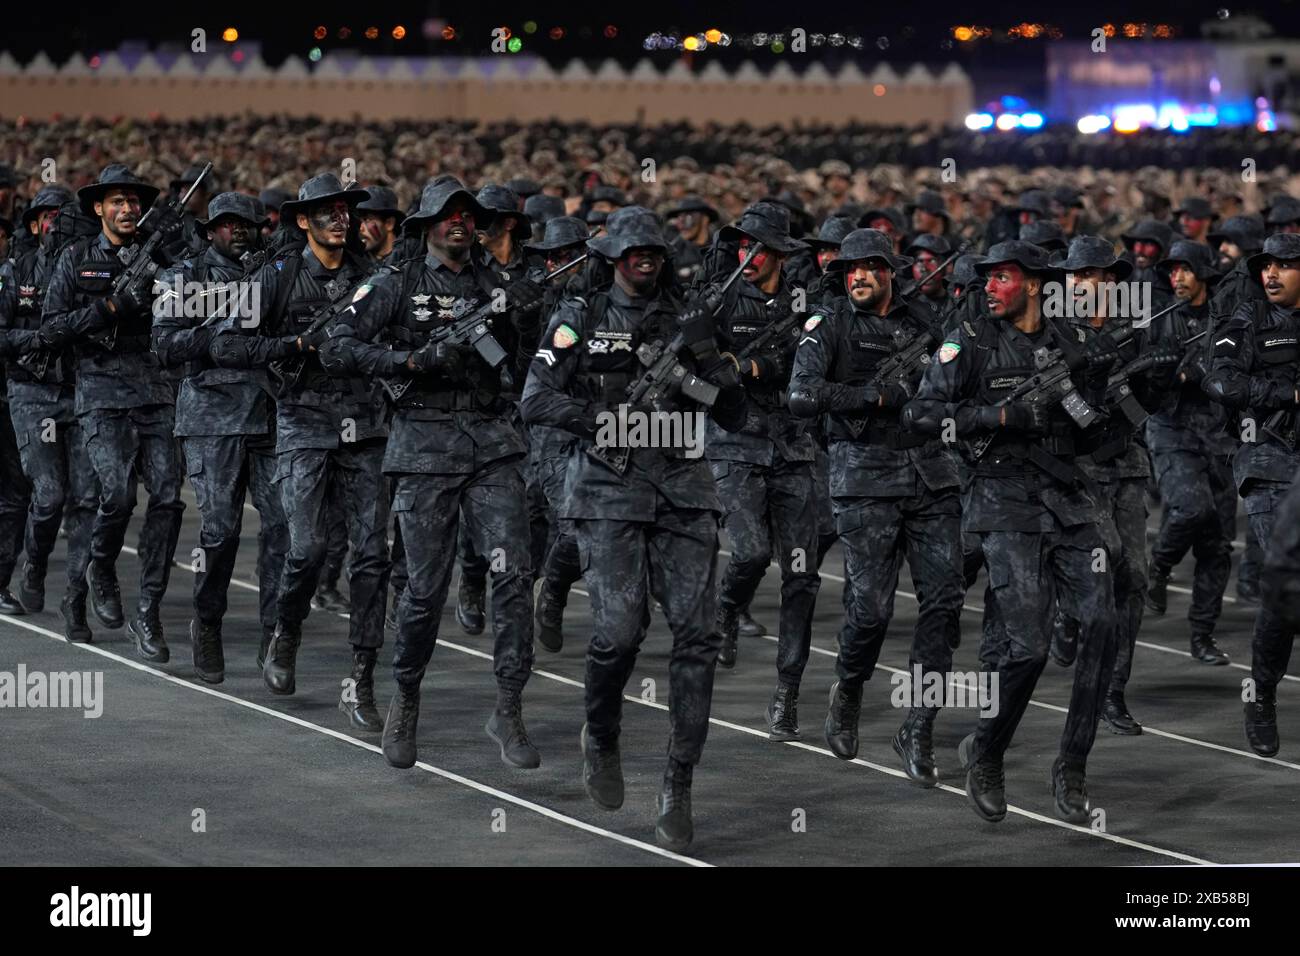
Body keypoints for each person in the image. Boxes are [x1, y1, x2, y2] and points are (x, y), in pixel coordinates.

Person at [520, 205, 748, 851]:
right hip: (609, 491)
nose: (643, 258)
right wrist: (600, 418)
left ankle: (679, 780)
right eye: (632, 250)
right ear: (613, 258)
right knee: (619, 633)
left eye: (653, 250)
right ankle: (603, 732)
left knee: (698, 637)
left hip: (684, 491)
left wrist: (707, 354)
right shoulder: (581, 318)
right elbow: (534, 399)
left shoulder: (693, 318)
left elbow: (732, 413)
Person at [318, 177, 544, 768]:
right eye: (448, 215)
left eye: (469, 216)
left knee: (515, 574)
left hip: (493, 444)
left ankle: (509, 706)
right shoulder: (394, 283)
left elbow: (524, 377)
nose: (461, 223)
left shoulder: (499, 286)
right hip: (423, 447)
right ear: (426, 225)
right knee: (422, 589)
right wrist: (411, 360)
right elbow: (335, 345)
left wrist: (522, 329)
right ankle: (406, 700)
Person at [903, 240, 1118, 824]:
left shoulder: (1071, 343)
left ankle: (1072, 762)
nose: (991, 287)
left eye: (1002, 278)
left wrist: (1095, 404)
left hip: (1068, 499)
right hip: (1001, 501)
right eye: (989, 278)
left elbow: (1098, 433)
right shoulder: (967, 341)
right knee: (1029, 645)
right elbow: (919, 416)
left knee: (1102, 623)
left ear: (1033, 284)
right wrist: (998, 415)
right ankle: (988, 754)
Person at [209, 173, 390, 727]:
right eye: (328, 211)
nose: (342, 219)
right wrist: (296, 345)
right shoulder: (276, 276)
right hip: (304, 421)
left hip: (365, 426)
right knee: (307, 547)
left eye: (346, 211)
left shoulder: (376, 278)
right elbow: (224, 341)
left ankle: (362, 677)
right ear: (303, 220)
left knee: (372, 555)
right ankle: (286, 632)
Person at [789, 228, 961, 784]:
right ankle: (850, 687)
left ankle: (920, 724)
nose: (857, 276)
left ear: (890, 272)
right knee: (872, 608)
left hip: (932, 476)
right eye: (849, 269)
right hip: (863, 479)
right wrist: (873, 396)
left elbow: (957, 380)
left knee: (944, 603)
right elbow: (801, 396)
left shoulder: (925, 323)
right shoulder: (828, 324)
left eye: (868, 267)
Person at [40, 164, 186, 663]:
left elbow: (192, 308)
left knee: (167, 498)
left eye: (134, 202)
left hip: (156, 388)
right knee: (116, 494)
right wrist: (108, 309)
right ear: (99, 207)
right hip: (101, 391)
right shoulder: (74, 258)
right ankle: (95, 574)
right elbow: (52, 329)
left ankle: (147, 609)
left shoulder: (165, 256)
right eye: (117, 201)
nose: (128, 209)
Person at [151, 192, 287, 682]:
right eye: (228, 224)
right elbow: (164, 345)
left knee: (285, 526)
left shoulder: (274, 274)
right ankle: (207, 622)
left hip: (269, 413)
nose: (239, 231)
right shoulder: (182, 278)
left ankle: (274, 632)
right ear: (209, 231)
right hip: (211, 416)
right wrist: (217, 334)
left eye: (248, 224)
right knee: (221, 531)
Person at [702, 202, 820, 740]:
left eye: (759, 248)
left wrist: (753, 366)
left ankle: (787, 692)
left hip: (794, 449)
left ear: (779, 254)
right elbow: (699, 368)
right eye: (743, 246)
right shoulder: (718, 300)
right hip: (735, 442)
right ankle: (727, 609)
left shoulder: (805, 303)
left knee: (801, 577)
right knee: (749, 551)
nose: (748, 256)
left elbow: (810, 362)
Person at [1205, 233, 1300, 757]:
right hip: (1268, 459)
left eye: (1286, 266)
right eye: (1268, 265)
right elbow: (1220, 383)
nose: (1273, 274)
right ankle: (1261, 691)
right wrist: (1289, 393)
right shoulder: (1246, 320)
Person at [0, 184, 96, 631]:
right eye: (46, 217)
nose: (54, 224)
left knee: (87, 499)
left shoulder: (91, 269)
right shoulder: (14, 271)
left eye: (62, 216)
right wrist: (36, 340)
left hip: (81, 392)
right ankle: (34, 564)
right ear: (34, 224)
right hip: (32, 393)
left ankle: (76, 597)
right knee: (50, 493)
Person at [1143, 240, 1233, 665]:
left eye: (1185, 270)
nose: (1176, 278)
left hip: (1219, 436)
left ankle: (1203, 634)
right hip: (1172, 428)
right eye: (1172, 271)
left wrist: (1207, 369)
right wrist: (1166, 371)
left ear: (1202, 275)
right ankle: (1158, 566)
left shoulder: (1229, 319)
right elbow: (1144, 381)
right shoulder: (1160, 320)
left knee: (1216, 546)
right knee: (1189, 509)